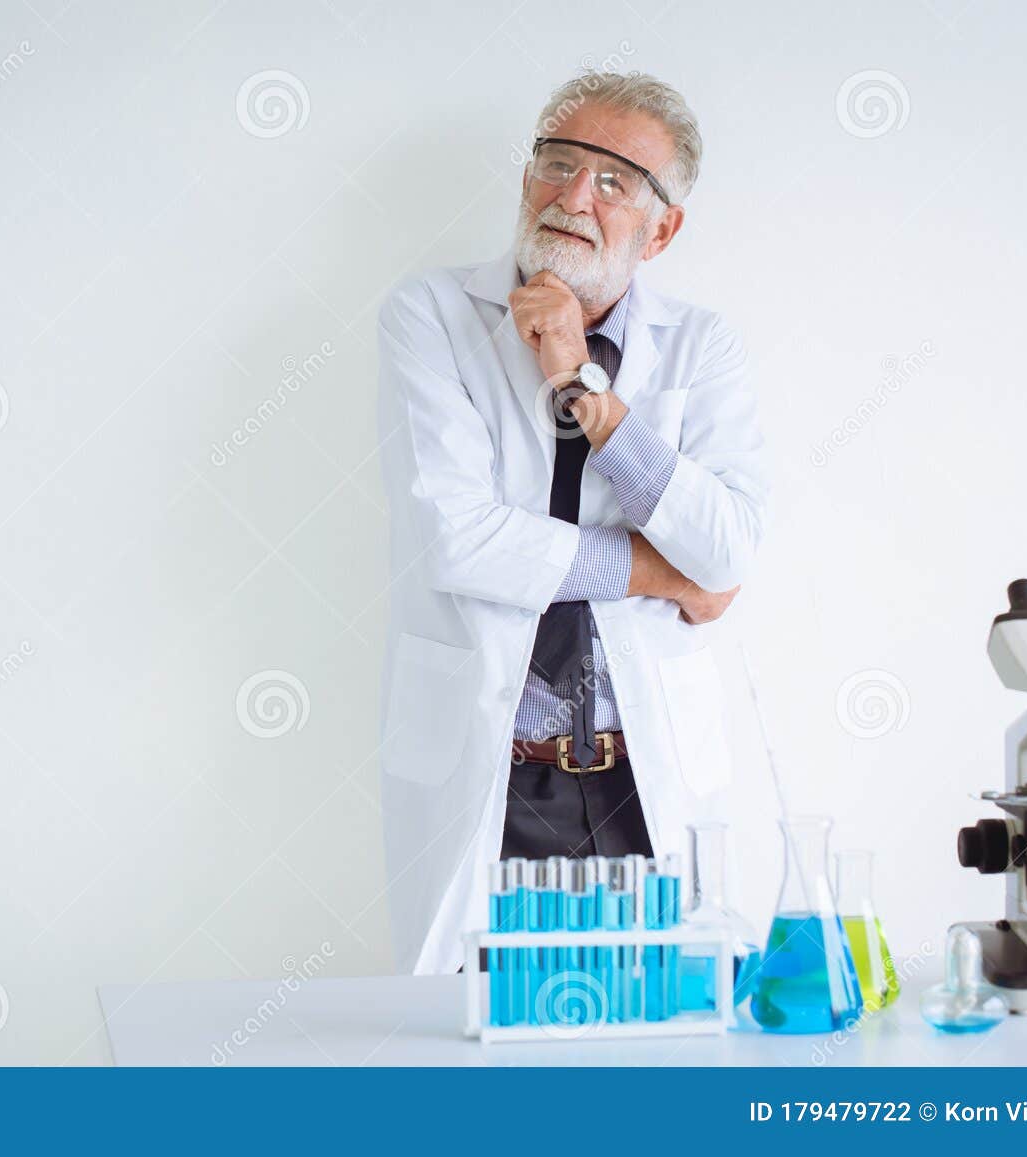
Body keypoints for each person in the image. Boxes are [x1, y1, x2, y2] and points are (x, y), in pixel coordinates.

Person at [376, 71, 770, 974]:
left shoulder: (701, 346)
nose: (573, 196)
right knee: (489, 1049)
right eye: (557, 163)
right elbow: (460, 539)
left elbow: (729, 546)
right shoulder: (432, 316)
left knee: (665, 1032)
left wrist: (576, 378)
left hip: (646, 771)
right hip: (498, 775)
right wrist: (661, 573)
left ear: (660, 228)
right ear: (526, 180)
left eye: (615, 180)